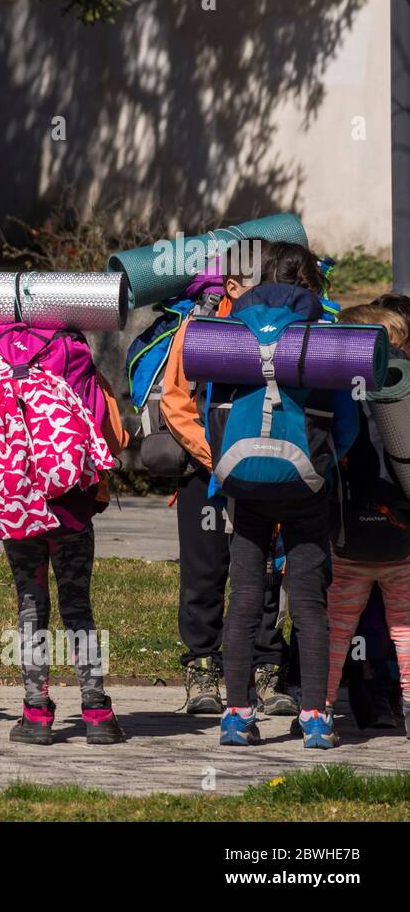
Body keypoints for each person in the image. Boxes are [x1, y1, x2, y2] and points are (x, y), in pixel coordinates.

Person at [0, 323, 128, 744]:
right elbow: (106, 427)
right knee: (78, 607)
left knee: (30, 607)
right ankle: (97, 712)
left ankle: (36, 713)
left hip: (16, 507)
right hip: (69, 504)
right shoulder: (71, 351)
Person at [211, 242, 357, 748]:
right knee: (310, 605)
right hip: (306, 483)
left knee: (246, 597)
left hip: (244, 482)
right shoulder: (322, 333)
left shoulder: (233, 329)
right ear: (311, 284)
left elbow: (216, 405)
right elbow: (348, 417)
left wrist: (231, 467)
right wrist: (324, 462)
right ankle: (316, 717)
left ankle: (236, 714)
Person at [160, 264, 295, 717]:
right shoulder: (199, 328)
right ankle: (202, 668)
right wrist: (214, 455)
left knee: (265, 574)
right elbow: (175, 399)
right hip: (206, 472)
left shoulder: (284, 326)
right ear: (232, 287)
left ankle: (267, 668)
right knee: (203, 572)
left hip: (265, 464)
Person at [324, 303, 410, 742]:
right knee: (406, 627)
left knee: (337, 629)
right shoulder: (404, 393)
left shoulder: (340, 393)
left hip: (349, 539)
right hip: (401, 537)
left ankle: (319, 711)